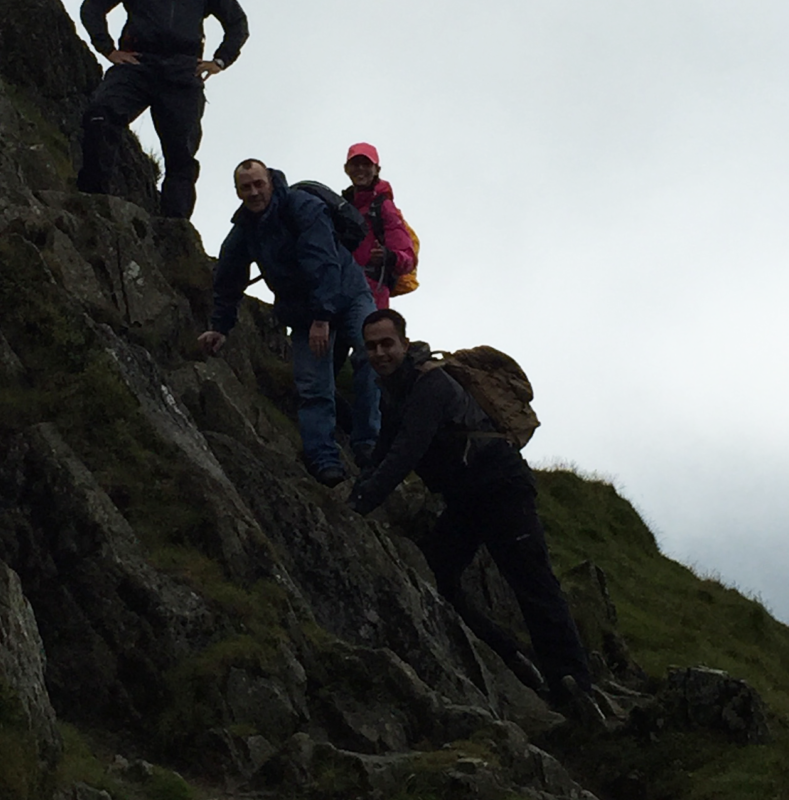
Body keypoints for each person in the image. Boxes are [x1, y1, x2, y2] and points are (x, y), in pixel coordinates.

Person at [348, 308, 596, 713]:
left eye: (386, 343)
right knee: (437, 575)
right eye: (372, 346)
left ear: (404, 344)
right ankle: (511, 656)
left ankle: (575, 688)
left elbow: (404, 454)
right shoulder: (396, 392)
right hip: (466, 500)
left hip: (502, 489)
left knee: (532, 584)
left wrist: (356, 507)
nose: (379, 353)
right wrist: (356, 492)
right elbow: (382, 454)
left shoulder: (430, 386)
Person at [199, 160, 380, 485]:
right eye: (246, 187)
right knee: (313, 386)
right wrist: (219, 327)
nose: (254, 192)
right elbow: (227, 281)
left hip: (348, 292)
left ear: (271, 182)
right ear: (238, 192)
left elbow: (322, 260)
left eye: (258, 184)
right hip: (303, 311)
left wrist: (322, 316)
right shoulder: (244, 231)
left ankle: (368, 444)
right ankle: (324, 461)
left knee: (371, 355)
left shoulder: (304, 207)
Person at [76, 0, 249, 218]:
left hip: (183, 73)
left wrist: (220, 61)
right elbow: (93, 4)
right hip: (137, 63)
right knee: (99, 116)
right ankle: (92, 203)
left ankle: (174, 234)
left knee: (181, 158)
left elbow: (237, 23)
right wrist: (107, 49)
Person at [340, 142, 415, 309]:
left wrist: (388, 256)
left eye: (366, 164)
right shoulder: (343, 207)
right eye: (355, 164)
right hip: (342, 292)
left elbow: (408, 259)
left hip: (373, 297)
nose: (360, 169)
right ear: (346, 169)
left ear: (377, 169)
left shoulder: (384, 207)